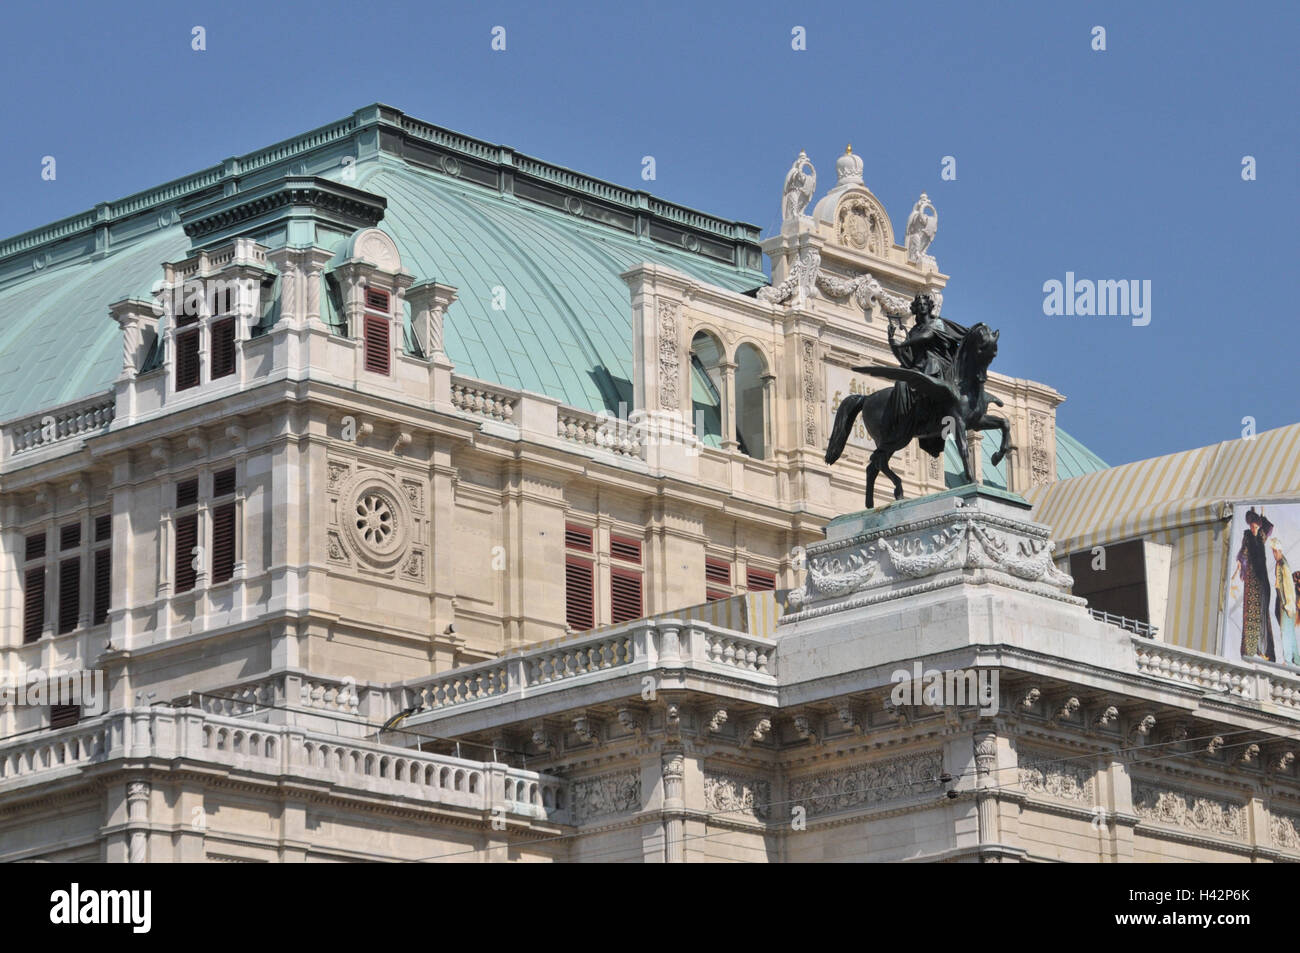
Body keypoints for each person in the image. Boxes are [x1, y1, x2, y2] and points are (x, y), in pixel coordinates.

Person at [1232, 509, 1275, 661]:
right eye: (1252, 526)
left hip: (1262, 578)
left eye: (1256, 526)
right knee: (1251, 613)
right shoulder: (1247, 536)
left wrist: (1263, 515)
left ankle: (1264, 650)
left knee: (1263, 612)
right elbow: (1242, 552)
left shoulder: (1261, 536)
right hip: (1251, 580)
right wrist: (1239, 562)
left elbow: (1269, 527)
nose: (1253, 529)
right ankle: (1251, 649)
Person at [1272, 537, 1299, 666]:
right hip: (1284, 602)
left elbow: (1288, 586)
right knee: (1289, 632)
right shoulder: (1280, 563)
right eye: (1273, 551)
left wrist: (1288, 604)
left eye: (1275, 551)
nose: (1274, 554)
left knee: (1285, 632)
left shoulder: (1283, 565)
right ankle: (1297, 660)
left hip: (1286, 603)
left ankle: (1288, 661)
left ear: (1279, 551)